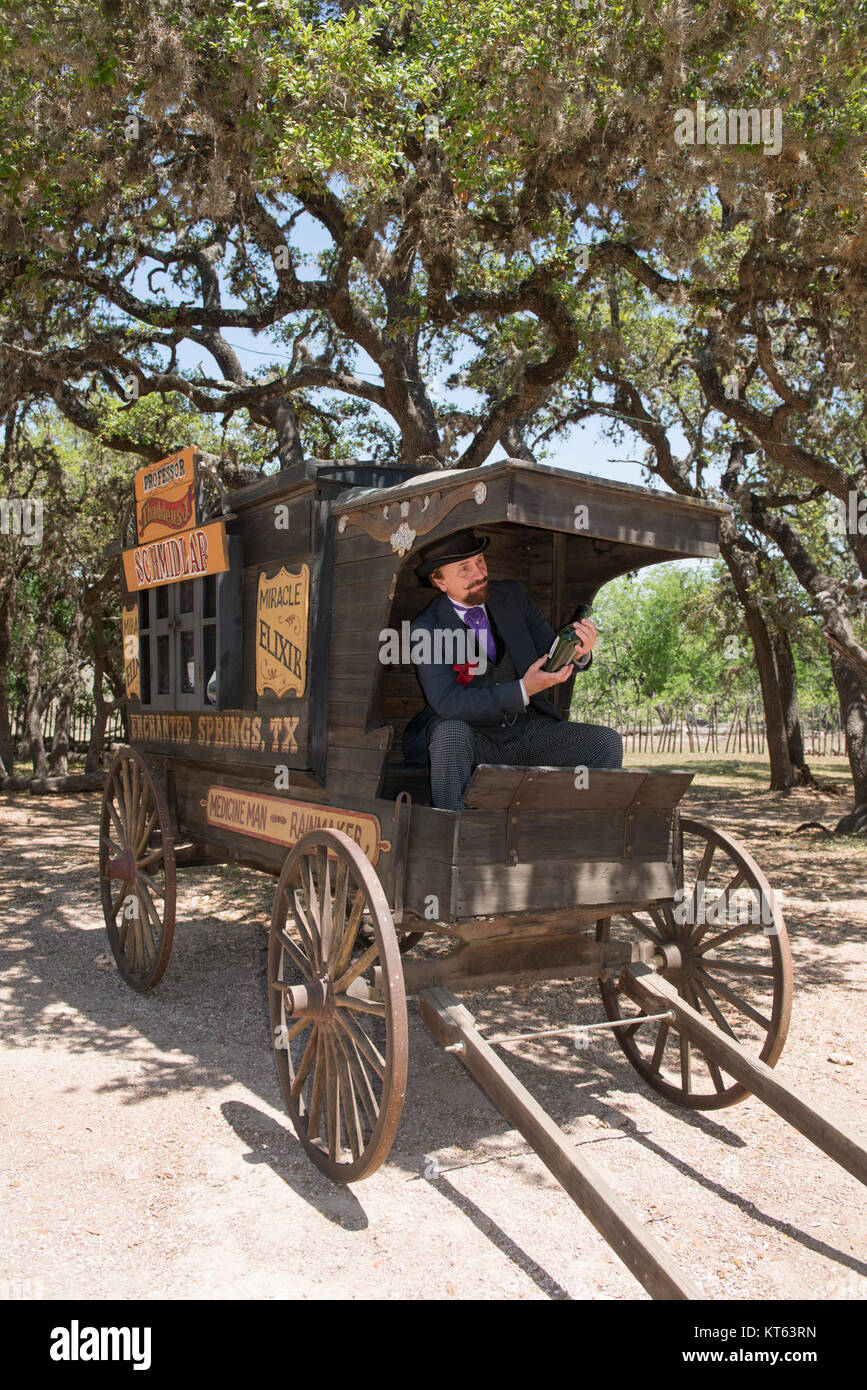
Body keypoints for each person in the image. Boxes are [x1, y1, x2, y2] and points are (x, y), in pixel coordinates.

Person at [404, 528, 623, 810]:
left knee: (605, 743)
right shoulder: (426, 628)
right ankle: (454, 836)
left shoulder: (513, 597)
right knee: (450, 733)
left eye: (480, 562)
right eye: (464, 569)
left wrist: (579, 652)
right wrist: (523, 689)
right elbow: (447, 702)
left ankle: (579, 829)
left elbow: (552, 651)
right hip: (473, 737)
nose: (479, 574)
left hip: (527, 728)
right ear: (439, 580)